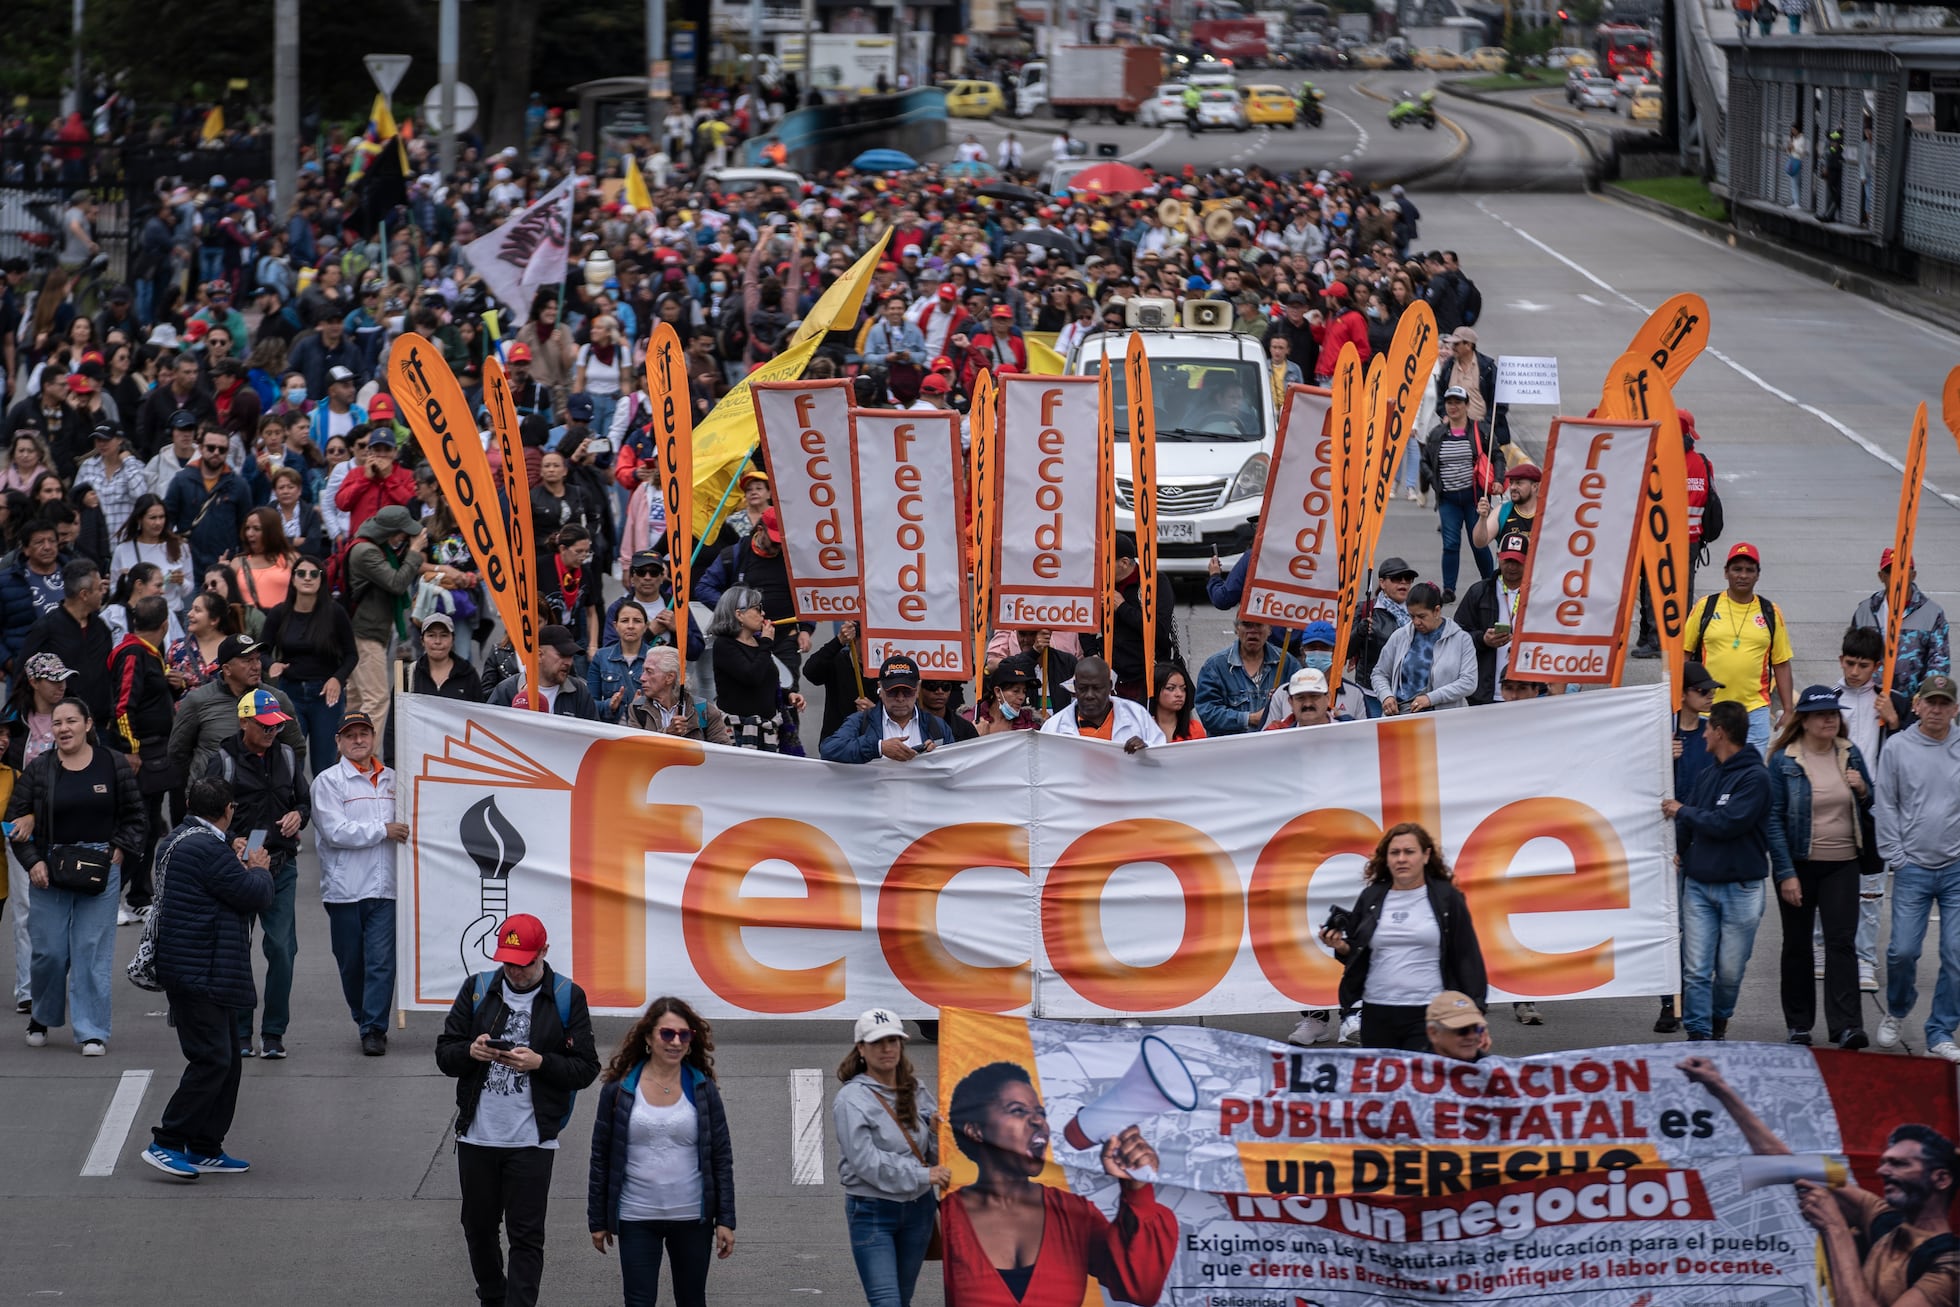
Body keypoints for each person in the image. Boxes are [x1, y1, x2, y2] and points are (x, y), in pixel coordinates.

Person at [1678, 1056, 1958, 1307]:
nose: (1883, 1171)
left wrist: (1835, 1229)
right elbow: (1786, 1165)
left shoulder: (1948, 1267)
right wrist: (1719, 1088)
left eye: (1899, 1164)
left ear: (1941, 1178)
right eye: (1884, 1161)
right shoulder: (1884, 1219)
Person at [436, 913, 600, 1307]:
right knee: (477, 1228)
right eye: (508, 961)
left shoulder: (566, 996)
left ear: (543, 953)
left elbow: (587, 1068)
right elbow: (445, 1053)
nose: (516, 971)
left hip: (531, 1140)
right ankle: (493, 1296)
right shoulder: (477, 990)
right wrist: (470, 1052)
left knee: (526, 1236)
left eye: (524, 963)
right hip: (478, 1135)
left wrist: (540, 1063)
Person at [944, 1060, 1177, 1306]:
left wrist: (1136, 1190)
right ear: (975, 1131)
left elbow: (1140, 1288)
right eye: (1017, 1110)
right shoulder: (947, 1215)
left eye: (1041, 1113)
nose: (1038, 1122)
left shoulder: (1074, 1215)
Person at [141, 777, 275, 1179]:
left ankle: (204, 1146)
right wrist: (259, 869)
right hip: (199, 971)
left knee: (228, 1061)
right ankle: (167, 1141)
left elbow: (216, 883)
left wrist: (229, 850)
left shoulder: (182, 839)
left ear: (186, 804)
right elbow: (254, 895)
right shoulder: (205, 848)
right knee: (212, 1060)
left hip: (202, 968)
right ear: (229, 809)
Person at [7, 695, 144, 1054]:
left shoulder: (112, 764)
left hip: (100, 868)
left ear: (88, 725)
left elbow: (136, 817)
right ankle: (42, 1015)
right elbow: (15, 821)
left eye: (71, 721)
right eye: (57, 723)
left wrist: (119, 851)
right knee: (49, 952)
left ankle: (92, 1030)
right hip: (48, 870)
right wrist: (33, 861)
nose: (64, 728)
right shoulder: (40, 768)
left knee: (90, 950)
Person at [587, 995, 737, 1307]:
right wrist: (598, 1220)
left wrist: (725, 1220)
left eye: (685, 1035)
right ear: (648, 1038)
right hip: (636, 1216)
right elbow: (601, 1156)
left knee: (692, 1300)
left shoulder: (703, 1089)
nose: (676, 1042)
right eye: (667, 1034)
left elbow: (721, 1157)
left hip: (692, 1219)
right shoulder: (618, 1090)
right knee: (639, 1301)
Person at [1765, 685, 1873, 1049]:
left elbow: (1870, 800)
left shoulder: (1850, 753)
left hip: (1843, 864)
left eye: (1834, 713)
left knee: (1841, 942)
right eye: (1823, 714)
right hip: (1799, 865)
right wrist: (1785, 873)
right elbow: (1773, 821)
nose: (1831, 719)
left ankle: (1847, 1026)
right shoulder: (1784, 761)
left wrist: (1861, 790)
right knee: (1797, 945)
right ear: (1805, 721)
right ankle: (1799, 1025)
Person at [1321, 822, 1487, 1051]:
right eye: (1394, 852)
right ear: (1386, 858)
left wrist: (1475, 1014)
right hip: (1376, 1010)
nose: (1401, 859)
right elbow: (1357, 953)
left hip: (1430, 1013)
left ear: (1426, 855)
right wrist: (1340, 946)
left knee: (1424, 1083)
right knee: (1381, 1085)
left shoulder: (1447, 897)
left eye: (1409, 852)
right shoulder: (1371, 897)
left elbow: (1467, 956)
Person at [208, 688, 309, 1060]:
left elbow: (303, 799)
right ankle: (239, 1030)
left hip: (280, 864)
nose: (271, 731)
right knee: (237, 950)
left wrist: (299, 815)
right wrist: (232, 840)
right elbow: (204, 810)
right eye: (264, 725)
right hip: (238, 869)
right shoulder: (222, 759)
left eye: (276, 725)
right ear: (244, 722)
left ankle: (274, 1033)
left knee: (282, 949)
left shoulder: (286, 754)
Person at [1663, 700, 1772, 1042]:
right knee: (1695, 969)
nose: (1704, 733)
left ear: (1720, 733)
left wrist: (1681, 812)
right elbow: (1692, 818)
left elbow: (1727, 823)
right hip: (1698, 886)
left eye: (1709, 729)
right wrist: (1679, 849)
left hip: (1741, 889)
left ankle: (1719, 1019)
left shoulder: (1756, 779)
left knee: (1729, 972)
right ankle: (1698, 1033)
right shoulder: (1708, 775)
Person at [1872, 673, 1960, 1061]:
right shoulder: (1898, 747)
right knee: (1902, 951)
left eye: (1945, 703)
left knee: (1957, 952)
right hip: (1913, 869)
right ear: (1917, 705)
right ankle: (1897, 1009)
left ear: (1955, 709)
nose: (1937, 709)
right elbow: (1886, 803)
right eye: (1931, 702)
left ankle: (1940, 1030)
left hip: (1957, 869)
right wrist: (1897, 856)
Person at [832, 1008, 945, 1307]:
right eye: (878, 1042)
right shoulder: (851, 1099)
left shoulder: (916, 1089)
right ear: (861, 1049)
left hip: (919, 1210)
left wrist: (934, 1132)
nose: (887, 1048)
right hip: (872, 1212)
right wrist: (924, 1176)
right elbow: (865, 1162)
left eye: (894, 1040)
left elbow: (932, 1154)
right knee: (886, 1302)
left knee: (902, 1298)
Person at [311, 712, 407, 1057]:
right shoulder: (328, 782)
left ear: (373, 737)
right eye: (350, 735)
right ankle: (363, 1015)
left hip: (386, 888)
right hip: (346, 889)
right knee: (351, 963)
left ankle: (373, 1028)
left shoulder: (396, 780)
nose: (358, 740)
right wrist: (383, 830)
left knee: (381, 961)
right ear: (338, 741)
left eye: (364, 733)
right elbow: (335, 832)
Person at [1836, 624, 1915, 995]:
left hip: (1876, 809)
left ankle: (1865, 957)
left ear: (1877, 666)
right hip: (1833, 808)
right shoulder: (1828, 698)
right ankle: (1824, 947)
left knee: (1871, 890)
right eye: (1850, 663)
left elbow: (1912, 756)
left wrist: (1896, 723)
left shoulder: (1894, 701)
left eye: (1863, 665)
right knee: (1831, 885)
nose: (1855, 672)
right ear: (1841, 660)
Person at [1656, 660, 1726, 1035]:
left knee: (1695, 929)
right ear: (1683, 694)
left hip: (1697, 844)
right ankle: (1670, 1002)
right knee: (1669, 926)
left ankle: (1690, 1000)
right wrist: (1662, 757)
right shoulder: (1660, 730)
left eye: (1712, 691)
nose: (1709, 696)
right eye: (1703, 691)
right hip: (1664, 843)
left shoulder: (1708, 734)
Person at [1684, 542, 1794, 755]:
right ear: (1726, 573)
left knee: (1750, 778)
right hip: (1708, 711)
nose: (1742, 575)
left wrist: (1788, 709)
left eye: (1749, 570)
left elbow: (1781, 663)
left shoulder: (1770, 612)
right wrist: (1680, 701)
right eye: (1737, 569)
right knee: (1708, 777)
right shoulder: (1706, 607)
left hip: (1753, 712)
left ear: (1757, 575)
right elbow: (1684, 656)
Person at [106, 593, 177, 917]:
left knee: (150, 826)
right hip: (139, 755)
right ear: (164, 625)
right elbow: (123, 707)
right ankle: (112, 895)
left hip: (154, 753)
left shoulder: (149, 653)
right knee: (137, 827)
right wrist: (131, 751)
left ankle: (140, 896)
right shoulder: (133, 653)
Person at [261, 554, 356, 775]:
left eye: (314, 574)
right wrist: (271, 664)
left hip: (326, 695)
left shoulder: (335, 612)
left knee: (325, 764)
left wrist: (337, 678)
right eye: (301, 573)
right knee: (290, 760)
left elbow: (352, 655)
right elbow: (262, 650)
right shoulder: (279, 612)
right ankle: (294, 809)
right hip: (290, 692)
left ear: (321, 580)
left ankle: (324, 809)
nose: (307, 578)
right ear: (292, 579)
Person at [167, 633, 302, 782]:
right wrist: (199, 783)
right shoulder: (198, 700)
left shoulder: (276, 699)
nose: (256, 666)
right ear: (227, 669)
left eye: (257, 659)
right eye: (248, 660)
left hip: (261, 794)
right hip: (213, 796)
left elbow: (296, 749)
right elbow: (178, 753)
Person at [345, 504, 426, 742]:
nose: (405, 537)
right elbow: (397, 582)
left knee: (357, 699)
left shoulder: (375, 546)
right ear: (390, 532)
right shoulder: (366, 552)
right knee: (377, 698)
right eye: (402, 533)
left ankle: (348, 757)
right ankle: (364, 758)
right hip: (365, 634)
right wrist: (414, 551)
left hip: (366, 632)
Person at [1420, 386, 1497, 602]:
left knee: (1479, 543)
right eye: (1449, 402)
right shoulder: (1437, 434)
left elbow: (1497, 456)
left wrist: (1498, 480)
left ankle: (1490, 583)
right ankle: (1449, 589)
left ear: (1466, 405)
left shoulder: (1480, 431)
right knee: (1450, 543)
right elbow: (1425, 461)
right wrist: (1436, 483)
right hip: (1448, 501)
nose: (1453, 407)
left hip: (1474, 499)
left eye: (1458, 402)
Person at [708, 587, 803, 751]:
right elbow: (751, 676)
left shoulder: (759, 644)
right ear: (739, 614)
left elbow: (767, 680)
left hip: (767, 729)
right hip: (739, 731)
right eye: (757, 609)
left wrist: (788, 696)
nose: (763, 613)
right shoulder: (724, 645)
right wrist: (766, 642)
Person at [1850, 549, 1950, 702]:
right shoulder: (1865, 610)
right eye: (1891, 571)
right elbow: (1853, 653)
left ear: (1913, 575)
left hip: (1914, 704)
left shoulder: (1932, 613)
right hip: (1870, 700)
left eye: (1903, 570)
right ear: (1881, 577)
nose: (1897, 576)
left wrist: (1924, 696)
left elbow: (1939, 661)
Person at [822, 656, 958, 763]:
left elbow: (953, 765)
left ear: (918, 690)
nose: (900, 698)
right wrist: (879, 748)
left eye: (907, 692)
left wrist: (935, 757)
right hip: (875, 796)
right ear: (880, 689)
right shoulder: (861, 721)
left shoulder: (937, 726)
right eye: (892, 692)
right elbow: (829, 750)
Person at [1371, 582, 1479, 715]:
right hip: (1401, 717)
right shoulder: (1400, 636)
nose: (1416, 622)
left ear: (1437, 611)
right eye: (1412, 616)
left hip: (1443, 722)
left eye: (1422, 616)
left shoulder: (1461, 639)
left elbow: (1469, 682)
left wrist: (1431, 698)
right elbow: (1379, 673)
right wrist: (1386, 696)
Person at [164, 423, 252, 581]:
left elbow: (245, 527)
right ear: (200, 448)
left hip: (224, 566)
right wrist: (174, 546)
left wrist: (239, 558)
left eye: (222, 449)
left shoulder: (239, 485)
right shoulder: (181, 480)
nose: (216, 453)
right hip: (188, 565)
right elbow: (167, 519)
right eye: (211, 448)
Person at [1454, 531, 1527, 706]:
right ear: (1498, 557)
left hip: (1528, 694)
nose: (1511, 566)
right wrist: (1482, 639)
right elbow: (1456, 636)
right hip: (1485, 694)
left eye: (1517, 561)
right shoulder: (1479, 592)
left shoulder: (1540, 595)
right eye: (1507, 560)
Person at [1196, 618, 1301, 737]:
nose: (1253, 631)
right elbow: (1207, 713)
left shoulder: (1287, 663)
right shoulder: (1215, 666)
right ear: (1237, 628)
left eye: (1259, 625)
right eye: (1247, 625)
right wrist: (1250, 719)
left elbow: (1303, 707)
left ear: (1270, 629)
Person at [1041, 656, 1162, 753]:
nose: (1089, 695)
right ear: (1075, 687)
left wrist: (1147, 749)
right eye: (1083, 688)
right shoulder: (1053, 728)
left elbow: (1163, 756)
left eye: (1096, 688)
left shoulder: (1137, 716)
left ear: (1110, 686)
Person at [488, 624, 602, 719]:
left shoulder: (579, 692)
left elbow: (593, 735)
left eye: (571, 656)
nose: (568, 662)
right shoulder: (507, 690)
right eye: (562, 655)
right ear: (539, 655)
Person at [622, 646, 732, 744]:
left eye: (649, 671)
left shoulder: (705, 711)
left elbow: (724, 755)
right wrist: (667, 733)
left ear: (670, 677)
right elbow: (635, 750)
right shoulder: (637, 708)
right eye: (643, 671)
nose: (642, 678)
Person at [1353, 557, 1417, 718]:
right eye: (1396, 578)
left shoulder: (1418, 611)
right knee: (1372, 741)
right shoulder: (1365, 610)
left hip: (1409, 697)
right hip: (1372, 696)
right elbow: (1343, 652)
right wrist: (1359, 632)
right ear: (1382, 582)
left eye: (1408, 579)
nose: (1403, 583)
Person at [1469, 461, 1539, 550]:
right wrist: (1482, 518)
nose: (1512, 487)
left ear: (1534, 487)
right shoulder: (1502, 511)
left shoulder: (1547, 514)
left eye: (1518, 483)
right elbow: (1479, 543)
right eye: (1511, 482)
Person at [1423, 990, 1492, 1062]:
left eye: (1477, 1029)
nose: (1472, 1036)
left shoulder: (1496, 1069)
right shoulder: (1415, 1070)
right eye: (1462, 1030)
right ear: (1434, 1033)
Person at [1149, 663, 1205, 742]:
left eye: (1183, 689)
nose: (1179, 694)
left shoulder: (1194, 729)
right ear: (1154, 691)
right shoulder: (1142, 729)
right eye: (1170, 688)